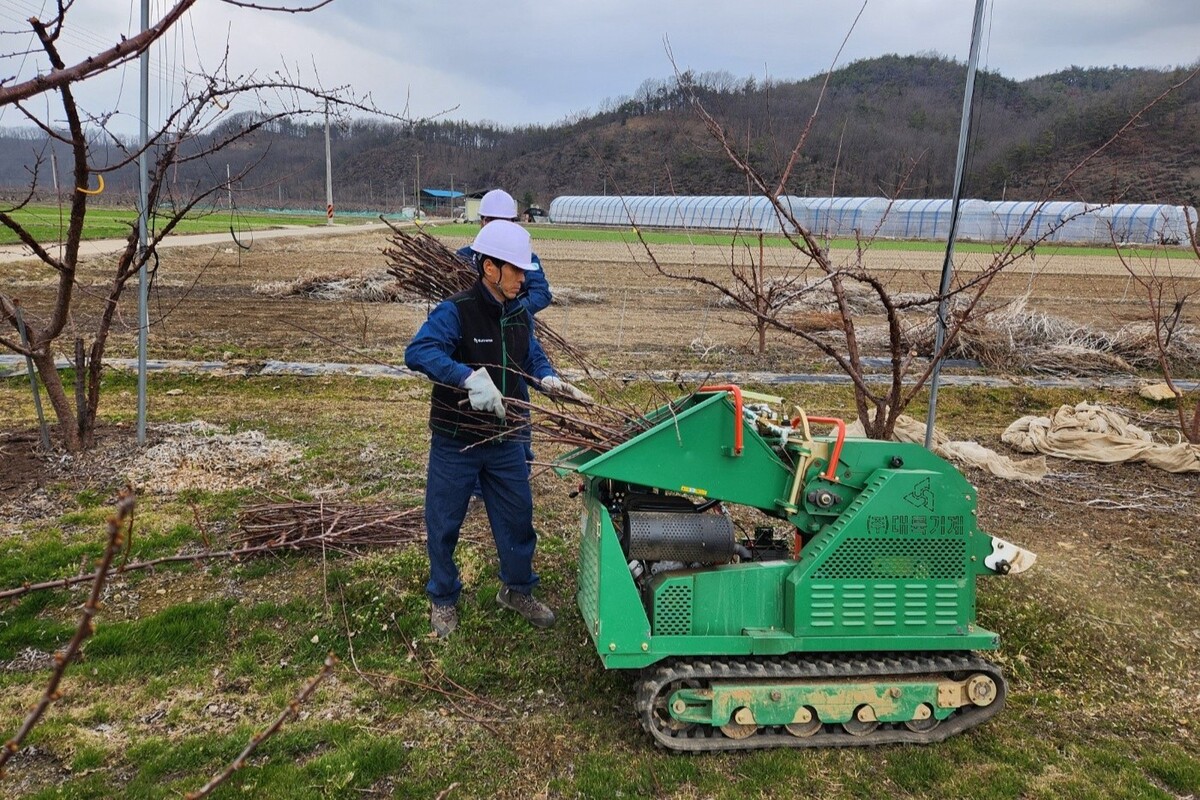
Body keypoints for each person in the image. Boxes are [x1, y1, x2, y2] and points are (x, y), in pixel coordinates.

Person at [405, 220, 589, 639]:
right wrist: (466, 377)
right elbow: (418, 351)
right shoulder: (456, 311)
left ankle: (517, 589)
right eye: (517, 271)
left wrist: (550, 380)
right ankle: (444, 597)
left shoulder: (519, 313)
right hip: (458, 440)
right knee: (444, 520)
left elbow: (533, 359)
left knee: (517, 517)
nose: (524, 279)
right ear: (490, 268)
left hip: (506, 439)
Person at [457, 189, 550, 496]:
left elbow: (542, 293)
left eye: (505, 221)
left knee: (515, 401)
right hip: (476, 345)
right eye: (492, 220)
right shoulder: (464, 256)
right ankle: (476, 485)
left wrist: (513, 311)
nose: (498, 226)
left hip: (513, 336)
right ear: (481, 221)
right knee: (476, 407)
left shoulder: (525, 258)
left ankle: (518, 470)